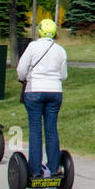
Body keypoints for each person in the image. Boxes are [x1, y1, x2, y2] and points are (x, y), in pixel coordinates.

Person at [16, 18, 68, 179]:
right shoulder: (60, 50)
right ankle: (53, 168)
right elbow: (64, 75)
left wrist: (23, 78)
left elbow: (21, 69)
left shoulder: (32, 46)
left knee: (35, 130)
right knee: (51, 130)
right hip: (55, 92)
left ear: (39, 31)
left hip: (35, 91)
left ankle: (35, 170)